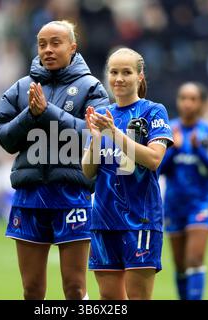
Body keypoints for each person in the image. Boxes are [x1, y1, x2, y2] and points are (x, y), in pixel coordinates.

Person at [0, 20, 109, 300]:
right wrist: (29, 115)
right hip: (28, 197)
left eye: (56, 43)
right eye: (42, 44)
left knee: (75, 288)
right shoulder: (22, 88)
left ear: (72, 47)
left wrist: (47, 113)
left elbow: (96, 134)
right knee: (31, 290)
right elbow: (3, 136)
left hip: (72, 196)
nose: (48, 49)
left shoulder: (91, 87)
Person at [82, 47, 173, 300]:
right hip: (103, 220)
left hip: (140, 220)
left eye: (127, 72)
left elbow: (154, 159)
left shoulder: (153, 112)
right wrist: (96, 139)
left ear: (140, 76)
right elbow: (88, 171)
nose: (119, 78)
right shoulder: (103, 115)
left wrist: (114, 134)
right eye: (114, 72)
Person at [159, 82, 208, 300]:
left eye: (193, 98)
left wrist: (199, 150)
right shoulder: (168, 130)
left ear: (202, 104)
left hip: (200, 204)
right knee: (180, 266)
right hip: (173, 205)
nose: (187, 103)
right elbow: (157, 168)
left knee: (194, 259)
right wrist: (172, 149)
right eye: (183, 98)